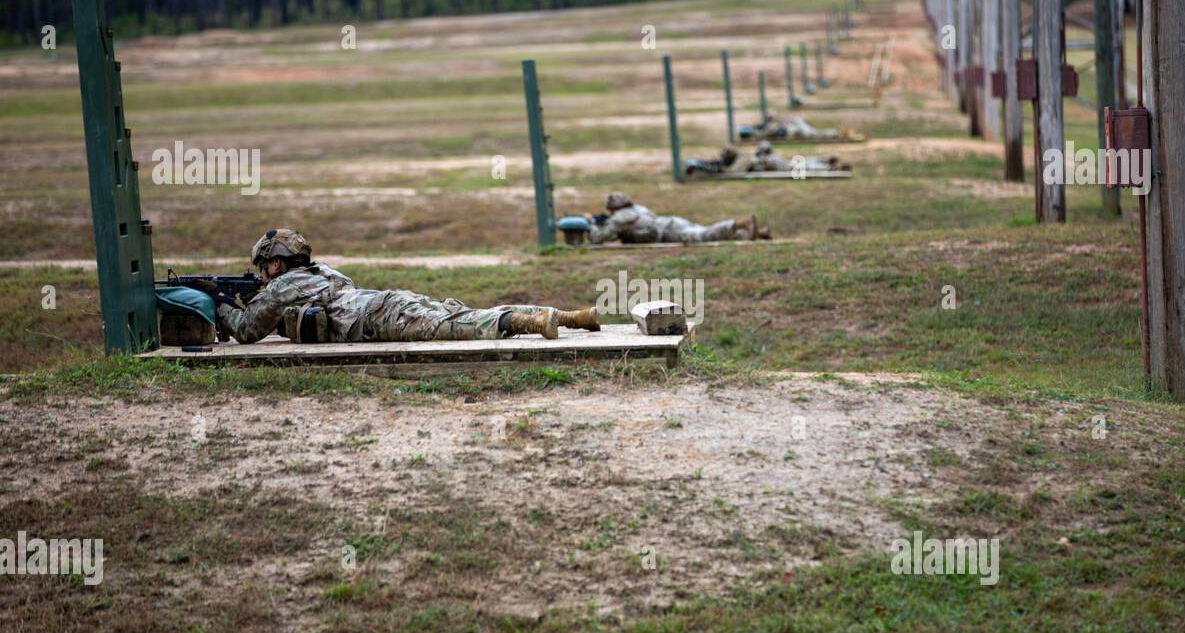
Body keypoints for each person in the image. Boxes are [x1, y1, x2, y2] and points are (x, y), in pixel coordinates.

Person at [214, 230, 600, 344]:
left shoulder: (282, 288)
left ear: (276, 263)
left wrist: (219, 305)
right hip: (385, 302)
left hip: (377, 316)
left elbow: (247, 330)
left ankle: (536, 321)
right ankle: (567, 317)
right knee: (456, 315)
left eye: (264, 267)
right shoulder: (322, 273)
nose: (262, 274)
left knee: (453, 327)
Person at [587, 193, 771, 244]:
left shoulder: (620, 217)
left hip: (668, 233)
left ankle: (739, 224)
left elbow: (597, 238)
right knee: (706, 233)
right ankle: (755, 233)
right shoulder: (637, 209)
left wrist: (590, 224)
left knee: (705, 235)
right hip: (671, 222)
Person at [745, 140, 851, 173]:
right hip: (785, 167)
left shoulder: (762, 157)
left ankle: (826, 160)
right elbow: (764, 166)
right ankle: (831, 167)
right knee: (808, 166)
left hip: (786, 163)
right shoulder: (757, 160)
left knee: (808, 160)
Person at [738, 114, 845, 141]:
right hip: (796, 131)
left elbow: (775, 123)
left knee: (816, 132)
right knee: (815, 133)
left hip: (794, 127)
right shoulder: (760, 133)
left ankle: (836, 132)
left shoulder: (760, 131)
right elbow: (770, 129)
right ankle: (835, 133)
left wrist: (771, 121)